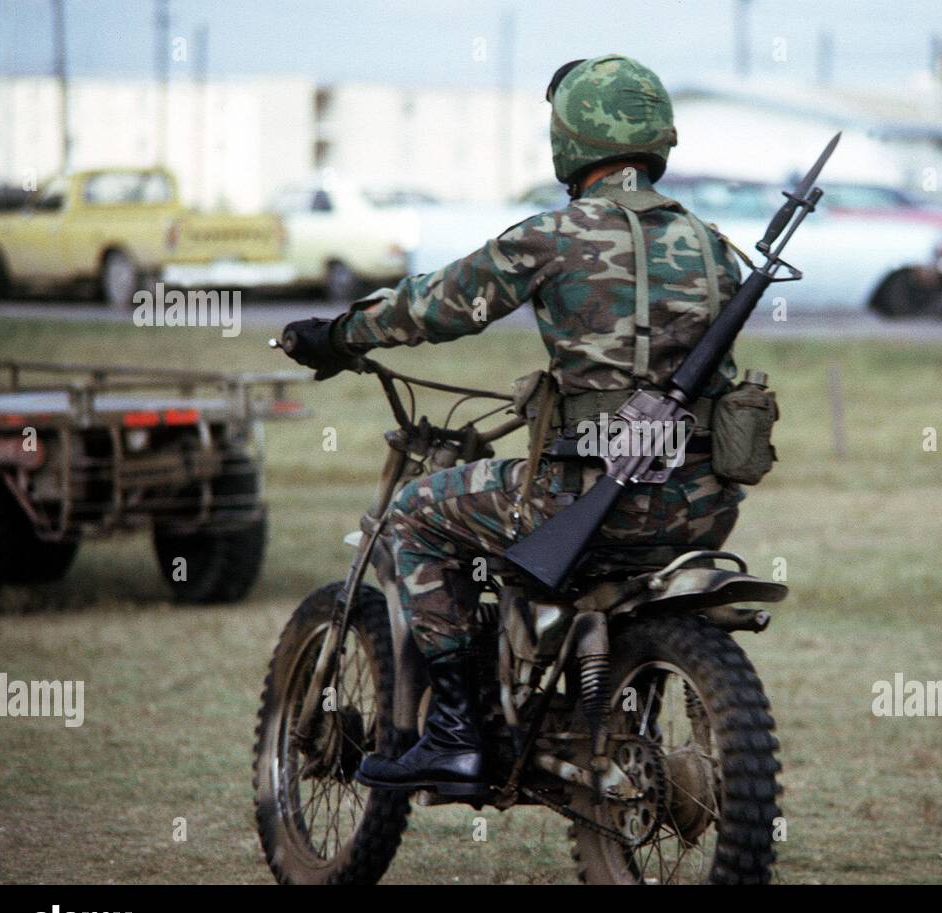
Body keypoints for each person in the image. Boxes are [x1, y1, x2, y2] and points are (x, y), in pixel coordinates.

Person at [281, 54, 745, 792]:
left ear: (573, 140)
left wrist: (339, 336)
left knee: (416, 516)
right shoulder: (717, 248)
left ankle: (457, 733)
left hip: (590, 501)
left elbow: (436, 304)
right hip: (699, 507)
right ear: (657, 140)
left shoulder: (555, 236)